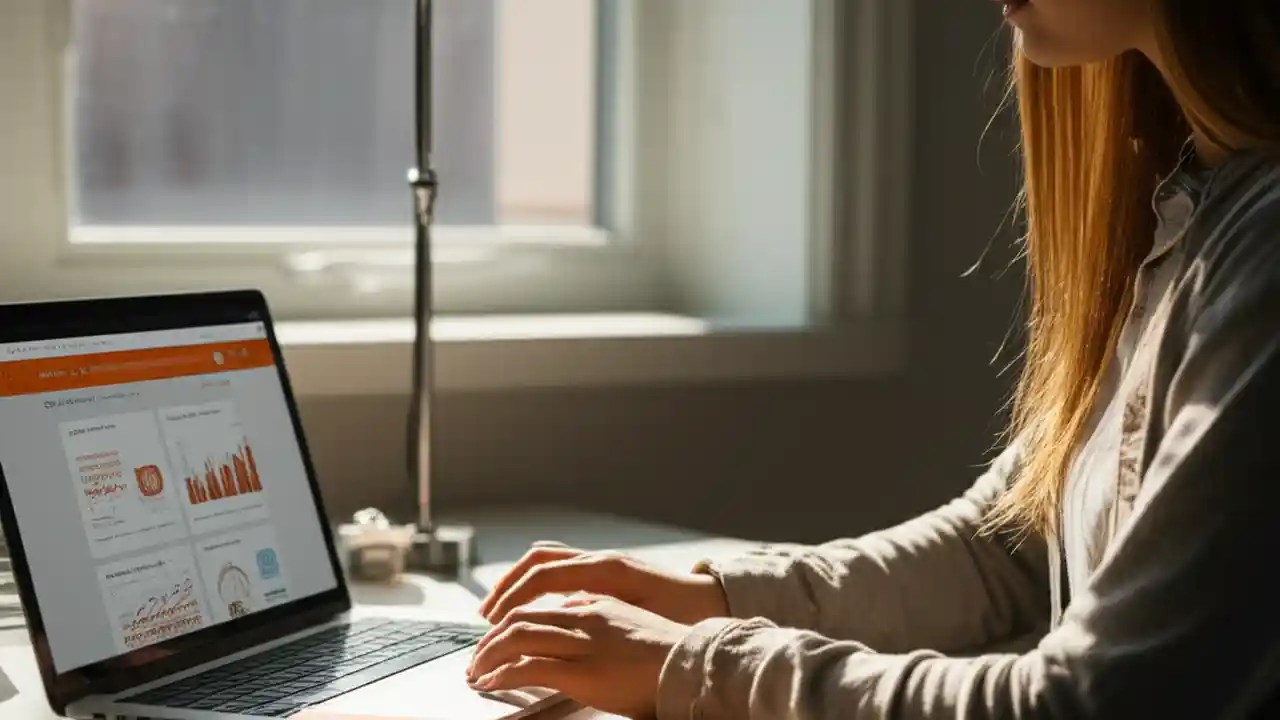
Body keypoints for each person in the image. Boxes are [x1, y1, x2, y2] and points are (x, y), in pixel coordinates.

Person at [466, 0, 1280, 716]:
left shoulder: (1266, 254)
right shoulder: (1197, 210)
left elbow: (1096, 701)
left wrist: (698, 666)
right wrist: (708, 596)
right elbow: (1009, 549)